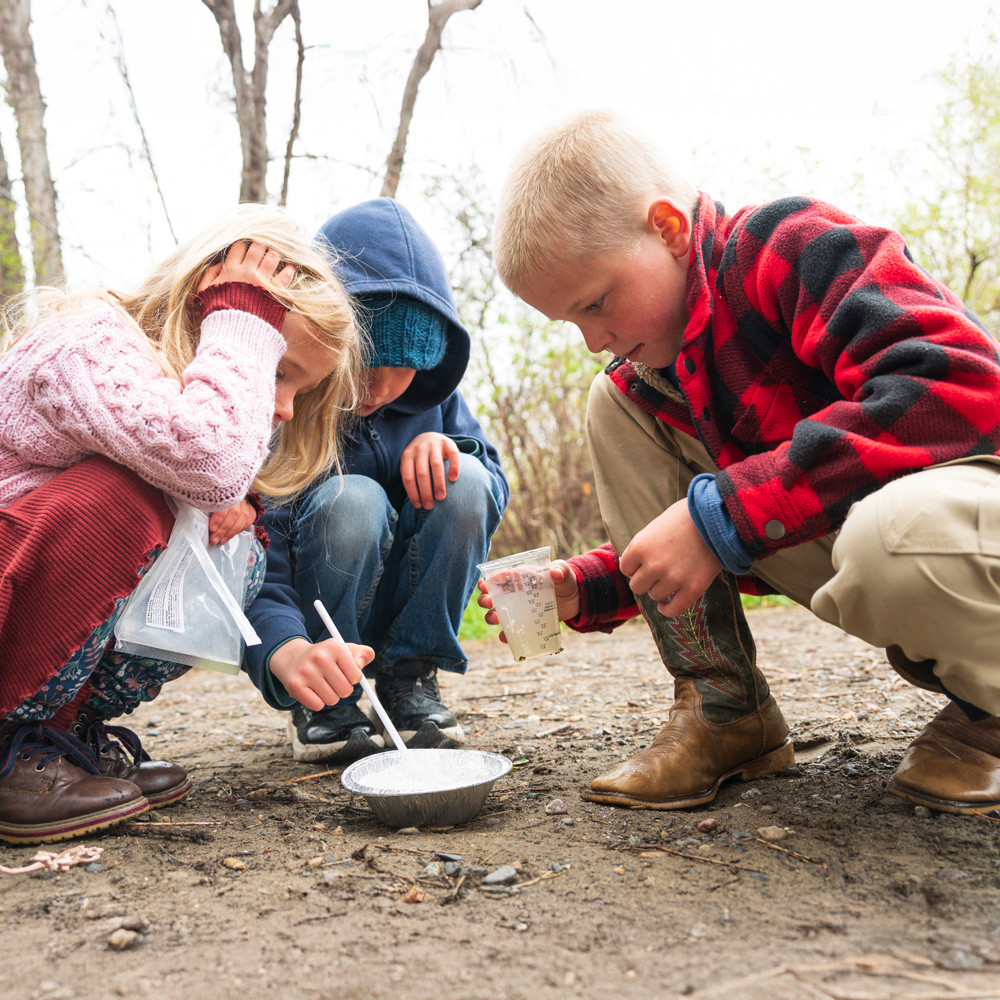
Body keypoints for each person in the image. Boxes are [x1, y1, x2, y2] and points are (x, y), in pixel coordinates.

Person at [484, 109, 1000, 816]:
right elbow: (750, 522)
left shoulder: (791, 246)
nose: (593, 339)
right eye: (572, 324)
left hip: (976, 512)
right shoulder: (664, 378)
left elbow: (958, 385)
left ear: (666, 228)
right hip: (884, 529)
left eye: (596, 304)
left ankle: (989, 714)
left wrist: (720, 515)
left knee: (881, 536)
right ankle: (725, 712)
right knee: (615, 401)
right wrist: (584, 585)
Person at [0, 206, 369, 844]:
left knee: (236, 545)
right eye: (279, 373)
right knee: (119, 500)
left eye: (299, 391)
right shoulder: (87, 345)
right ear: (212, 312)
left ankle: (56, 734)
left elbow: (208, 481)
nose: (282, 406)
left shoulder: (149, 393)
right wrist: (247, 316)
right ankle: (12, 740)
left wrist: (224, 508)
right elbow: (206, 459)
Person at [244, 198, 509, 763]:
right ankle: (327, 697)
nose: (379, 385)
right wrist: (281, 649)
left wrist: (450, 448)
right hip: (324, 621)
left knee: (466, 481)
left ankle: (410, 675)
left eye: (402, 364)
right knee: (352, 497)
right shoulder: (291, 408)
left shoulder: (436, 402)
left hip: (406, 608)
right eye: (362, 361)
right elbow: (259, 552)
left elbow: (494, 483)